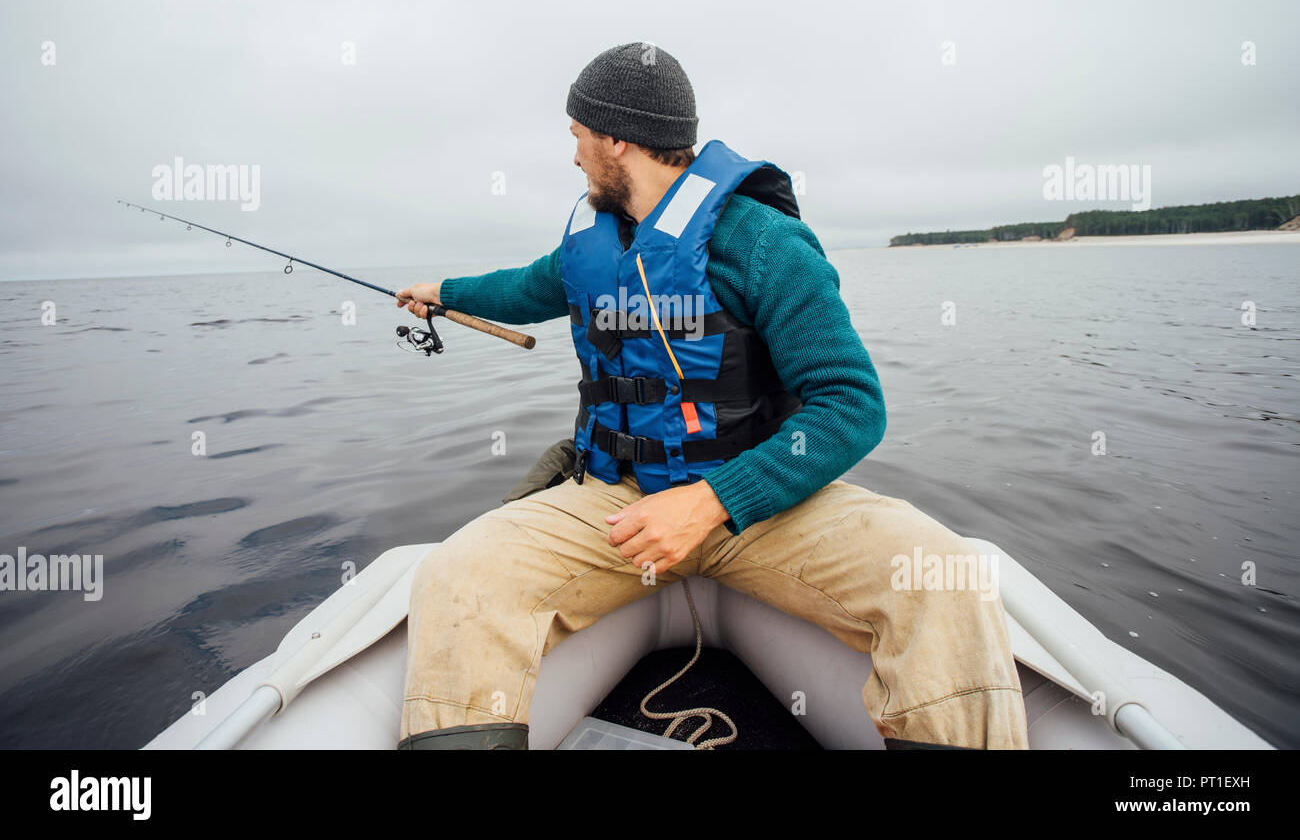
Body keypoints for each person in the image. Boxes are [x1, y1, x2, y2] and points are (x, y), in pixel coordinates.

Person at [394, 42, 1028, 750]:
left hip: (758, 507)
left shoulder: (762, 243)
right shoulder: (591, 240)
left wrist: (711, 501)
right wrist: (443, 295)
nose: (572, 156)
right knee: (458, 574)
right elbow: (527, 287)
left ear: (615, 139)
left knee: (943, 579)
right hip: (619, 500)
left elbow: (852, 404)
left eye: (577, 137)